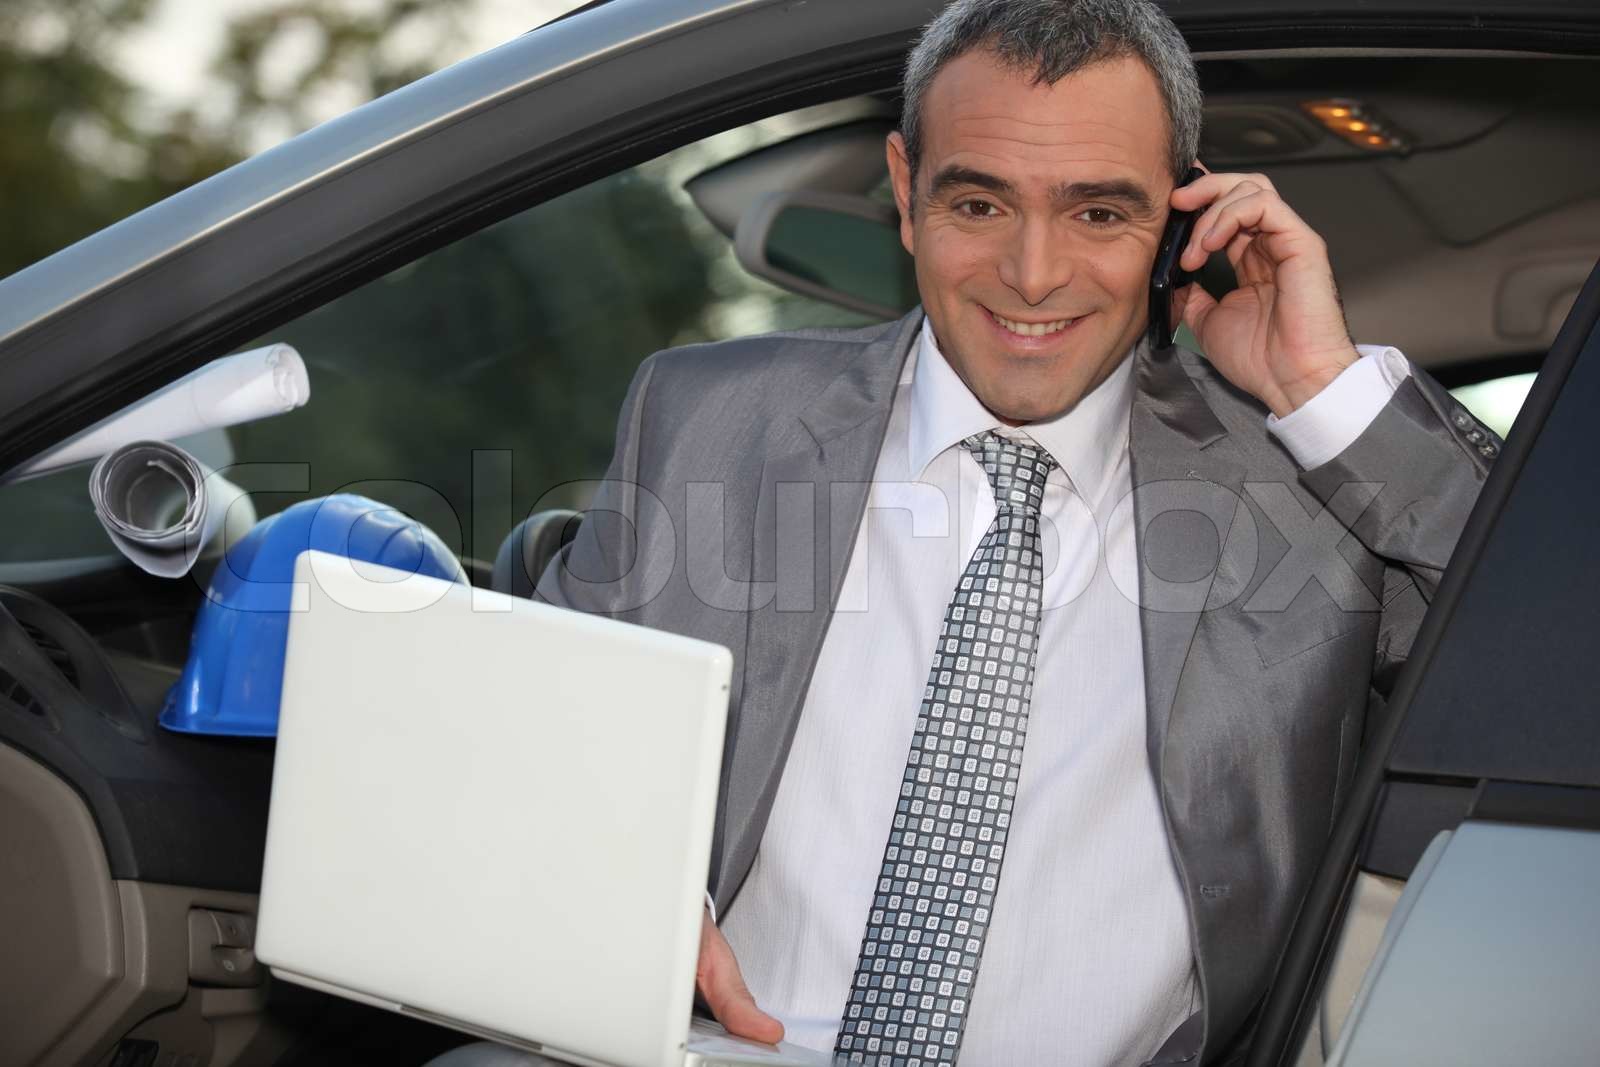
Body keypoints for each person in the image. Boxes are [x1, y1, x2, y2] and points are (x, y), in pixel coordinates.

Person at [459, 1, 1496, 1063]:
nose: (1033, 274)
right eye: (980, 203)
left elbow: (1548, 658)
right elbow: (528, 758)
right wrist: (615, 885)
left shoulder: (1312, 494)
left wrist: (1322, 386)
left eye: (1099, 213)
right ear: (906, 191)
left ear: (1177, 224)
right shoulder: (708, 420)